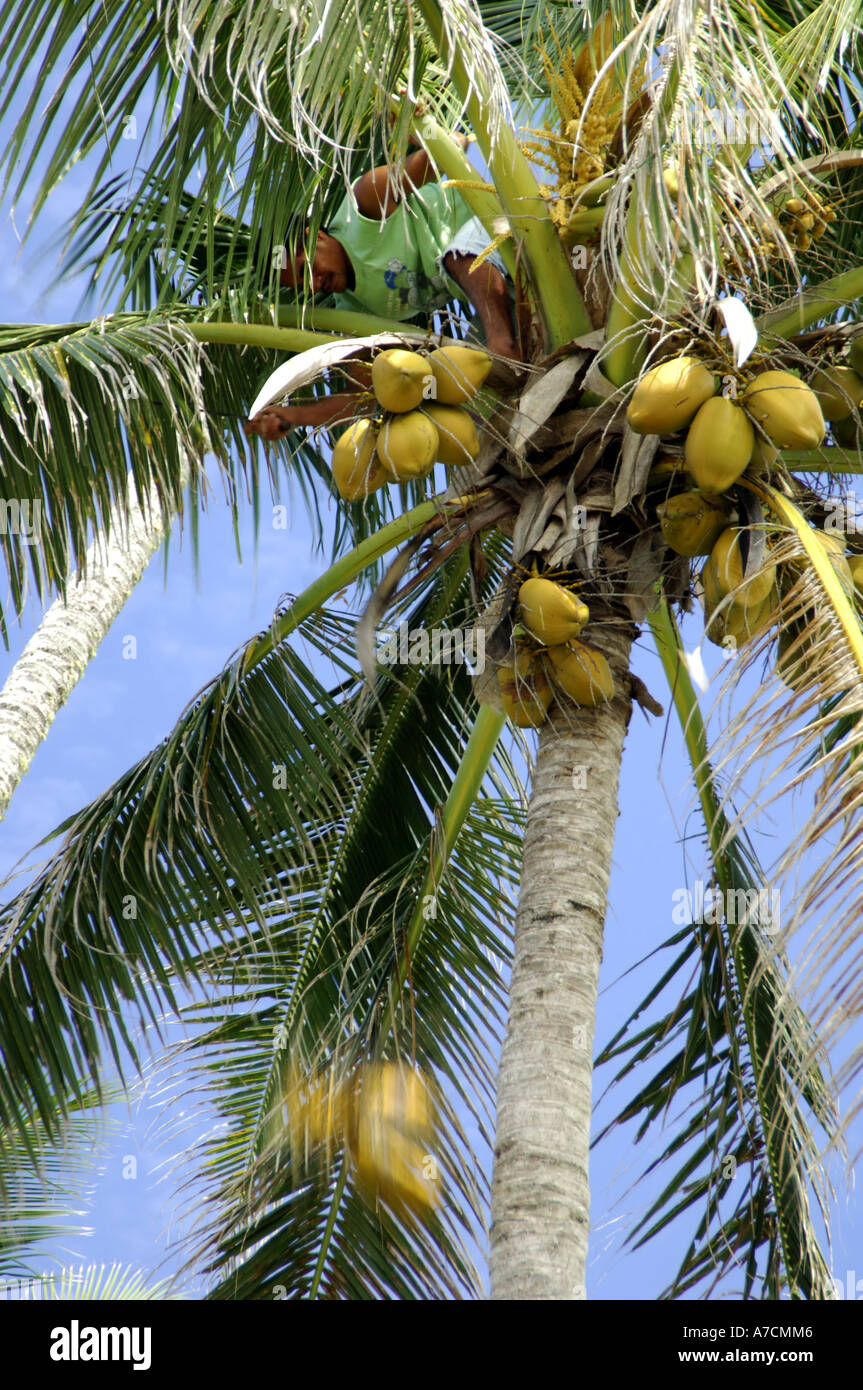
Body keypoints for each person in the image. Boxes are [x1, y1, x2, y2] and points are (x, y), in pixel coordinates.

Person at [245, 141, 520, 441]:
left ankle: (503, 347)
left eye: (305, 271)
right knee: (474, 381)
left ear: (316, 237)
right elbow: (360, 396)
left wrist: (426, 132)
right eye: (303, 287)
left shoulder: (362, 206)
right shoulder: (353, 311)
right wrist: (293, 416)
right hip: (501, 289)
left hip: (502, 223)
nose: (314, 286)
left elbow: (441, 155)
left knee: (459, 261)